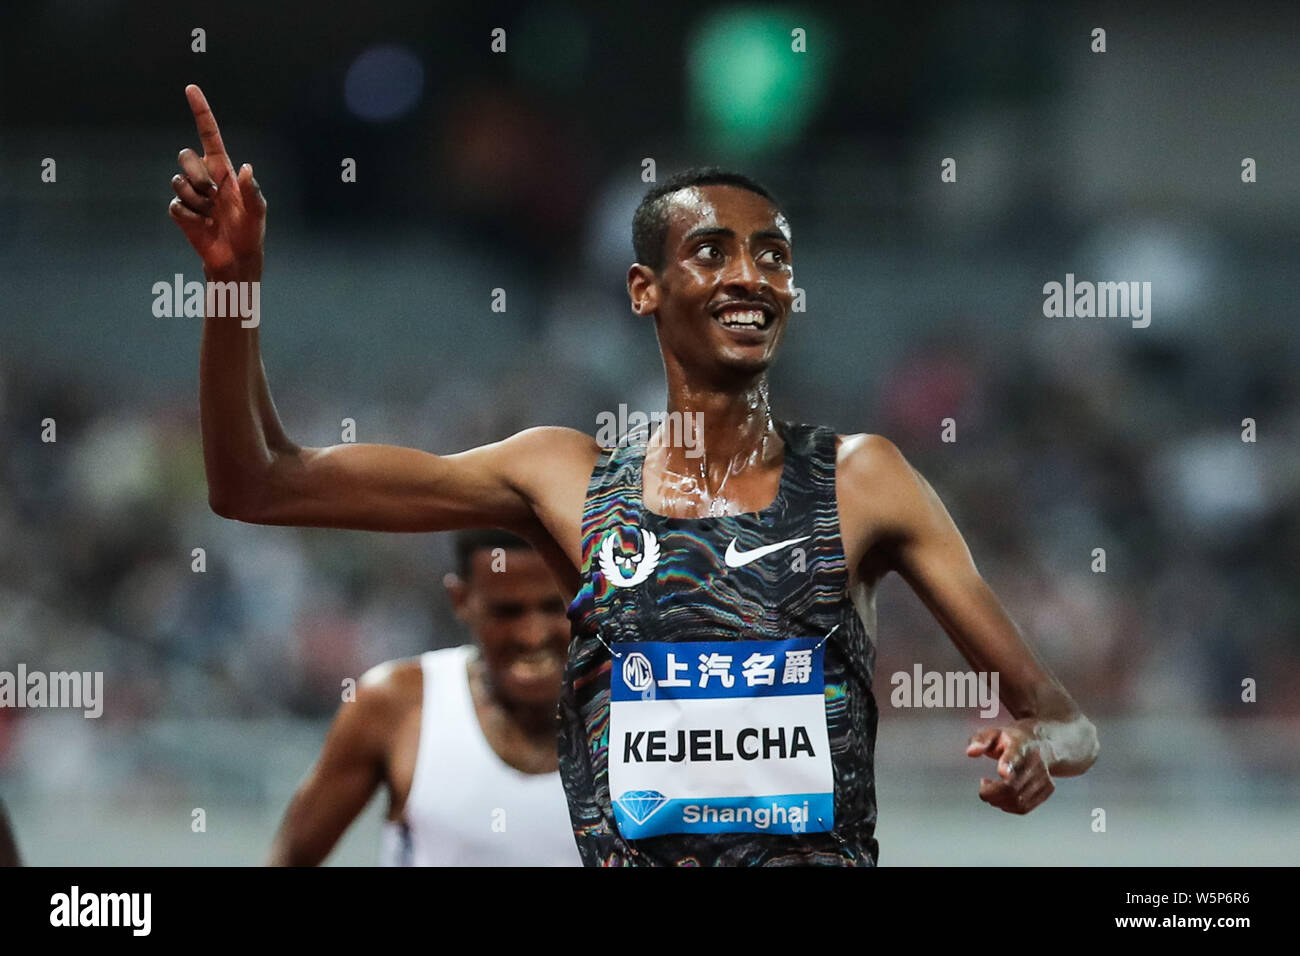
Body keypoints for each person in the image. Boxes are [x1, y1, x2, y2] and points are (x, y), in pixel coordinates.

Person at [170, 84, 1099, 867]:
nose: (752, 276)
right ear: (643, 290)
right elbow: (258, 483)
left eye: (772, 255)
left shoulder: (863, 480)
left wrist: (1036, 749)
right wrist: (234, 281)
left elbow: (1066, 721)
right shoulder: (560, 479)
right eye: (713, 252)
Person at [268, 529, 579, 866]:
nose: (531, 636)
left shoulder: (632, 703)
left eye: (554, 608)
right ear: (460, 599)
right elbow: (289, 859)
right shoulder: (395, 705)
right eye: (507, 611)